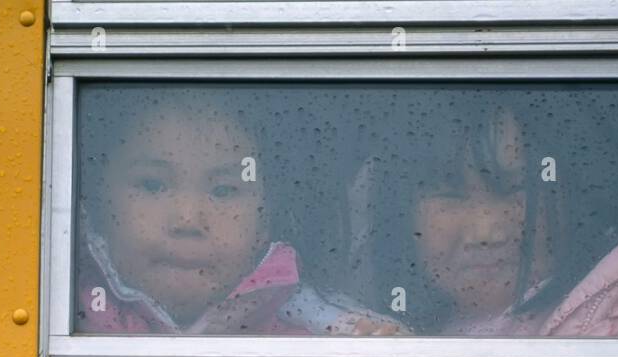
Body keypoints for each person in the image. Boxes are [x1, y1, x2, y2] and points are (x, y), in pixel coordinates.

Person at [362, 96, 618, 336]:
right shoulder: (399, 329)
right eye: (448, 194)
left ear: (571, 195)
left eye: (516, 190)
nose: (484, 229)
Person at [76, 87, 406, 336]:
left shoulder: (315, 329)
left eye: (223, 191)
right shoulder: (58, 315)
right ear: (98, 200)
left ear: (266, 218)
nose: (188, 218)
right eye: (152, 185)